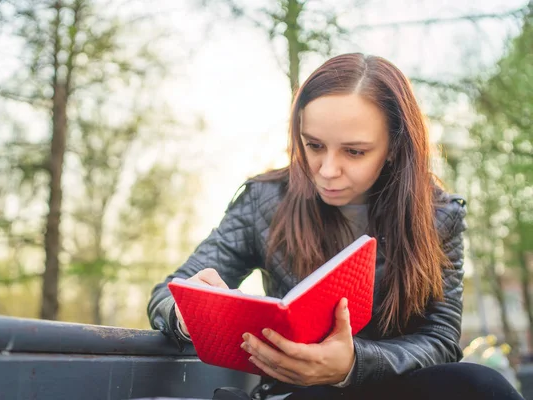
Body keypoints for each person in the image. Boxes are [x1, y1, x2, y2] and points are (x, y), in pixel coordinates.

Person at [147, 53, 523, 400]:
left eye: (354, 152)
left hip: (394, 386)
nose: (327, 171)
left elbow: (440, 340)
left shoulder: (438, 216)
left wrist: (352, 364)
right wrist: (186, 311)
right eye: (313, 146)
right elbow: (168, 293)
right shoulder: (264, 201)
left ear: (394, 146)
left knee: (484, 384)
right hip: (297, 391)